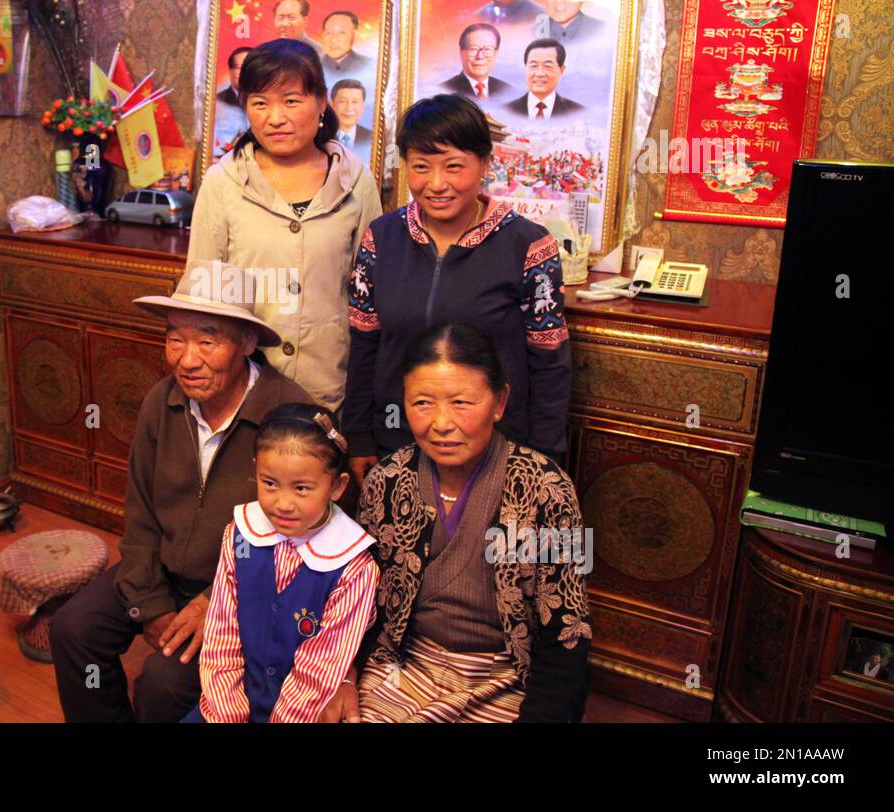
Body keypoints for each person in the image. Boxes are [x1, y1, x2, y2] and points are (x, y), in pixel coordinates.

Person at [49, 262, 313, 722]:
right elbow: (141, 515)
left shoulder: (289, 415)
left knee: (162, 684)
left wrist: (213, 600)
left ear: (248, 344)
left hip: (240, 593)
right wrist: (148, 603)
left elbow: (298, 542)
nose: (187, 359)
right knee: (73, 630)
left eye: (208, 340)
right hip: (164, 569)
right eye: (175, 338)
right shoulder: (162, 401)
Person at [321, 323, 591, 723]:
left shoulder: (548, 489)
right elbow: (359, 604)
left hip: (505, 675)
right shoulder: (387, 481)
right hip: (403, 663)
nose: (441, 423)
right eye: (423, 403)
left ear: (499, 403)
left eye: (462, 403)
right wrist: (344, 677)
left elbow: (568, 631)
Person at [345, 93, 571, 478]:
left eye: (454, 166)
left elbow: (549, 361)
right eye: (420, 167)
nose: (436, 184)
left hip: (493, 444)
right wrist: (360, 432)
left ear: (484, 163)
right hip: (398, 434)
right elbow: (365, 343)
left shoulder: (528, 245)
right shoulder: (381, 238)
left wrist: (544, 456)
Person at [189, 38, 382, 412]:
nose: (275, 118)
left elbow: (369, 297)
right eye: (259, 103)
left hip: (328, 390)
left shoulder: (355, 181)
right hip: (245, 392)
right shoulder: (223, 181)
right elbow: (203, 302)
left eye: (291, 101)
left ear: (321, 102)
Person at [186, 404, 378, 722]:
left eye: (302, 488)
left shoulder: (354, 568)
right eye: (270, 483)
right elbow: (221, 634)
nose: (283, 503)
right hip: (230, 708)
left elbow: (318, 672)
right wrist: (226, 713)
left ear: (337, 487)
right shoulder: (239, 536)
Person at [502, 38, 585, 120]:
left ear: (561, 70)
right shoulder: (506, 110)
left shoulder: (577, 112)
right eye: (533, 66)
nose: (539, 74)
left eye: (548, 66)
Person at [320, 10, 376, 120]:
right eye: (328, 33)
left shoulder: (370, 67)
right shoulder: (310, 66)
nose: (334, 39)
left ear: (354, 35)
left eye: (342, 33)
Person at [438, 23, 513, 103]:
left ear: (496, 53)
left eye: (487, 49)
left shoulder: (507, 90)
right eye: (473, 49)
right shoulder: (443, 91)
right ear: (461, 52)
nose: (480, 56)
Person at [330, 79, 373, 161]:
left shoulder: (371, 137)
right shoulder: (321, 137)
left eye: (355, 102)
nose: (349, 108)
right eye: (342, 101)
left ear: (363, 105)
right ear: (332, 104)